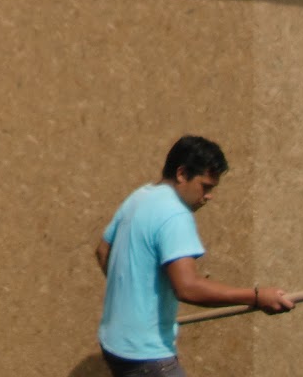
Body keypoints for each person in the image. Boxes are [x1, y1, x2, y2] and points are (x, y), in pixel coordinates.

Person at [95, 136, 292, 376]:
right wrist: (257, 296)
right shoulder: (175, 215)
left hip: (115, 344)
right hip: (147, 356)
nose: (209, 196)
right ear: (182, 174)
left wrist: (134, 295)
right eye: (205, 186)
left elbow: (103, 250)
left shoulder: (140, 197)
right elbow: (188, 288)